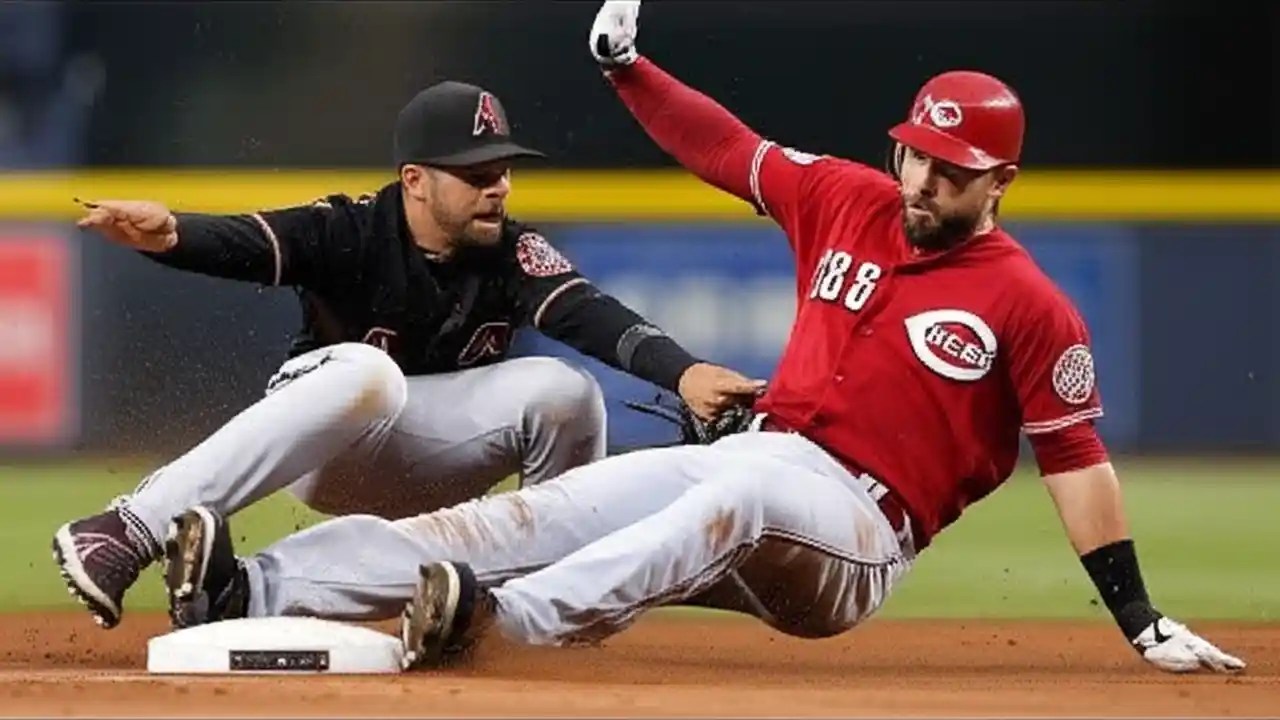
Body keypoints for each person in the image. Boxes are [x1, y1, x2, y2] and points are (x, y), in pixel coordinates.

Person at [158, 0, 1244, 675]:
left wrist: (1139, 619)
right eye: (913, 153)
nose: (920, 177)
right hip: (760, 453)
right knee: (549, 512)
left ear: (998, 181)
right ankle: (258, 588)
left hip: (856, 535)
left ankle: (499, 626)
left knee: (736, 498)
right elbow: (725, 148)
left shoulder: (1030, 304)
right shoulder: (848, 198)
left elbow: (1075, 465)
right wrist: (627, 71)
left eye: (949, 170)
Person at [52, 77, 763, 630]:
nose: (499, 186)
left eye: (503, 170)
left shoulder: (513, 250)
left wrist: (685, 371)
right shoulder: (356, 228)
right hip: (330, 445)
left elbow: (591, 315)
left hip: (437, 462)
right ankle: (125, 529)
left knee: (564, 391)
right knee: (370, 374)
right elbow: (247, 242)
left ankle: (528, 607)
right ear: (416, 179)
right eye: (477, 173)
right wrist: (172, 234)